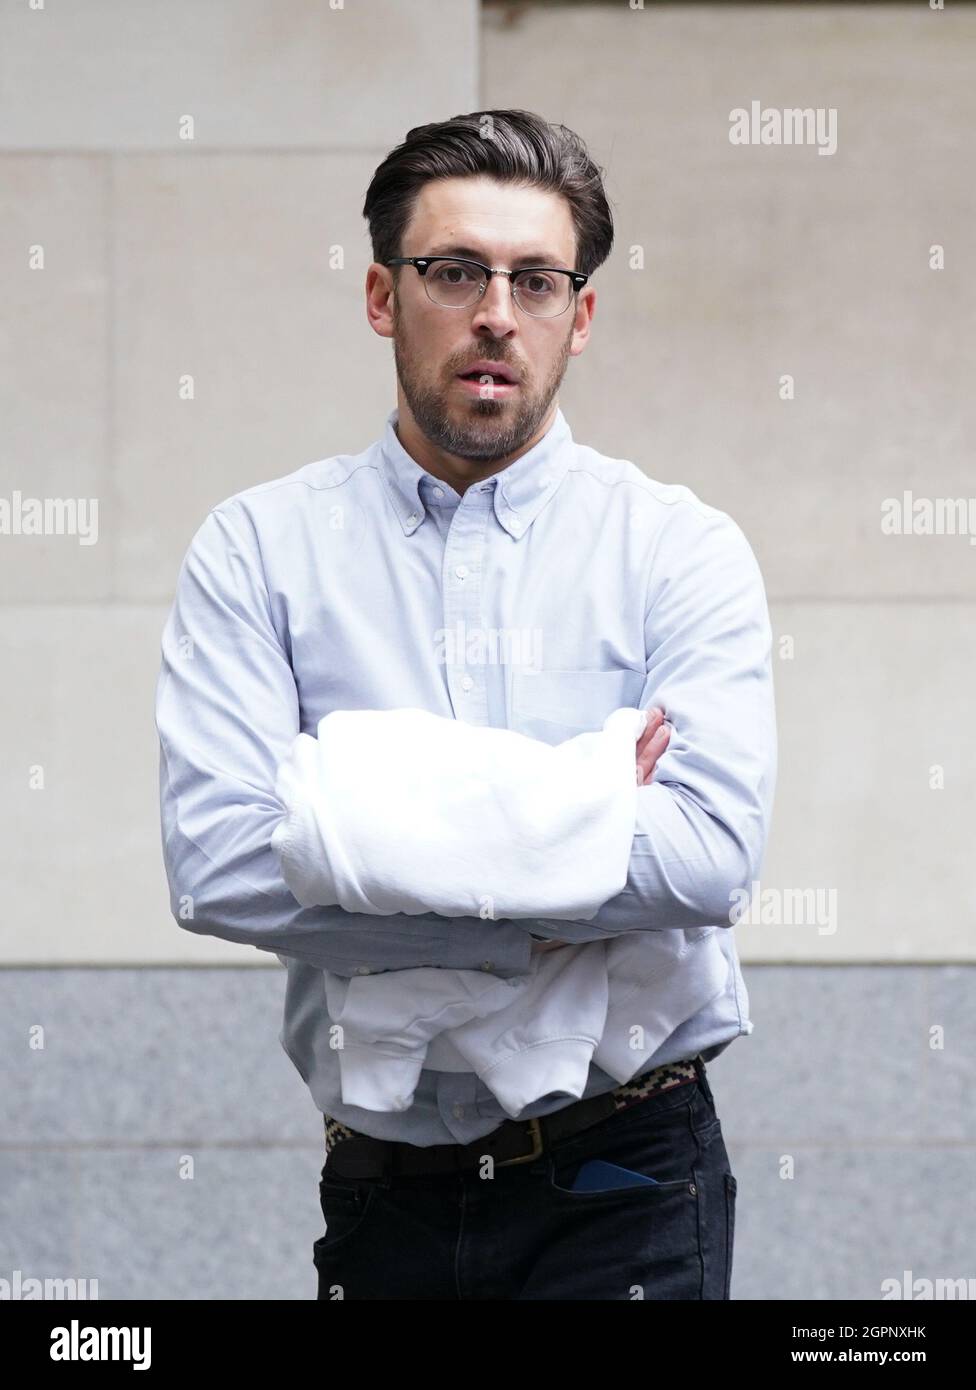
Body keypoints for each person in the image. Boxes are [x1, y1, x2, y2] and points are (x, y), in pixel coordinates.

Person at [154, 108, 777, 1300]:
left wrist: (364, 828)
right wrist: (571, 831)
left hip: (629, 1176)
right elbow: (219, 862)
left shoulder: (677, 551)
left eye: (535, 279)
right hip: (386, 1180)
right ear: (386, 296)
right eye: (454, 271)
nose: (497, 310)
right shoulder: (259, 551)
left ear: (577, 316)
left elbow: (707, 855)